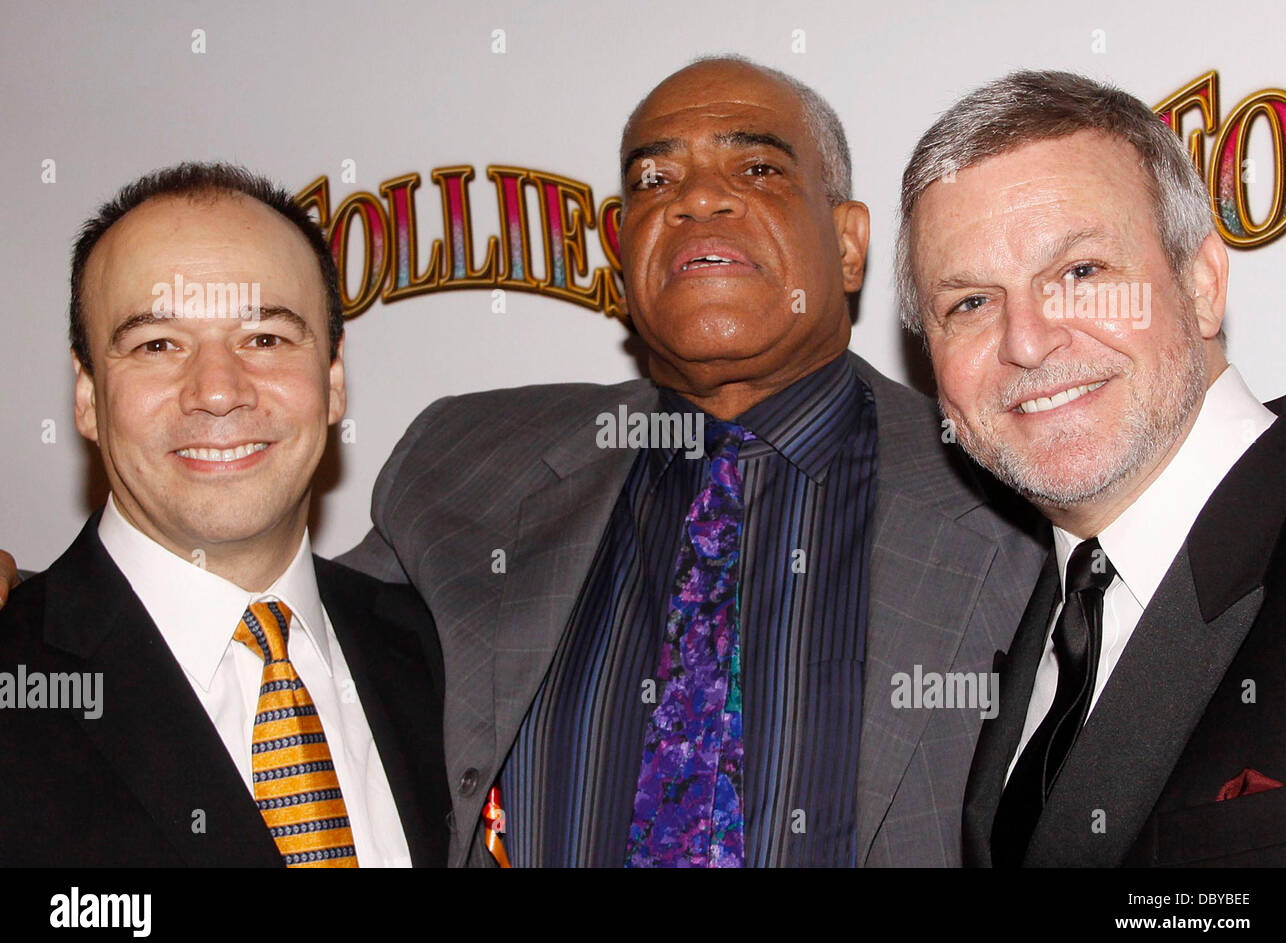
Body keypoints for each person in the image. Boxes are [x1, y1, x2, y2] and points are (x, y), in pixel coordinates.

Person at [341, 56, 1045, 867]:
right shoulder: (465, 464)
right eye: (654, 180)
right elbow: (301, 657)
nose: (697, 199)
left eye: (758, 168)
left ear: (849, 245)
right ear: (621, 250)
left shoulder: (1015, 492)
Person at [897, 70, 1286, 866]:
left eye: (1081, 272)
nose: (1027, 340)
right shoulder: (1024, 615)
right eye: (970, 302)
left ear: (1202, 284)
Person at [0, 163, 450, 867]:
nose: (216, 391)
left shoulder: (442, 653)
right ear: (86, 395)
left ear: (333, 379)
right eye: (157, 344)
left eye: (265, 338)